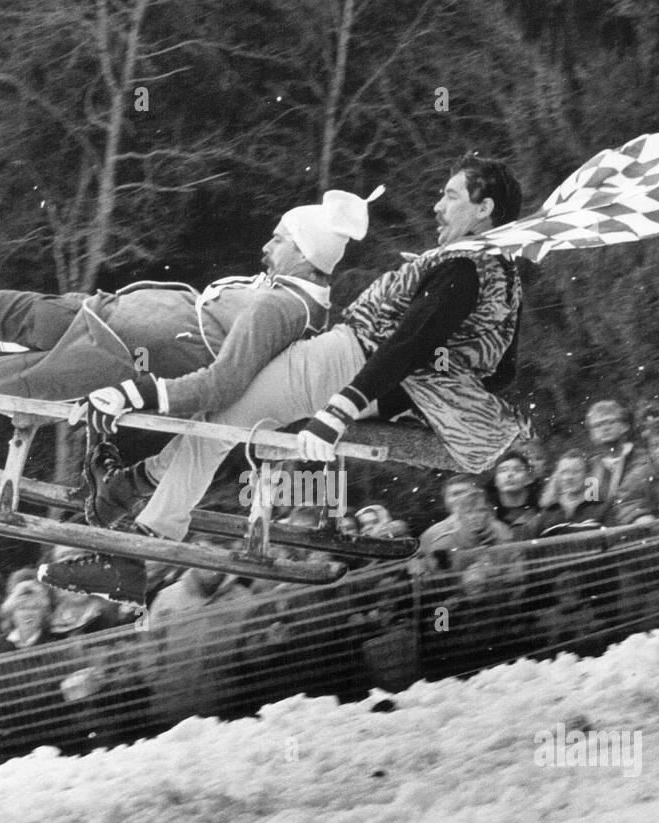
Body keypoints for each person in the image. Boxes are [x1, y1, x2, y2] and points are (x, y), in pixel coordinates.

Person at [50, 153, 529, 602]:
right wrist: (409, 395)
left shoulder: (463, 267)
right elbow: (499, 371)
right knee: (222, 423)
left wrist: (340, 411)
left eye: (450, 196)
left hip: (343, 360)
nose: (437, 206)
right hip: (354, 366)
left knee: (218, 420)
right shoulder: (504, 276)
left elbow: (406, 344)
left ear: (484, 208)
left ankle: (135, 553)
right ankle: (134, 489)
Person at [0, 189, 378, 412]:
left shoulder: (281, 307)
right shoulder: (288, 297)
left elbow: (225, 381)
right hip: (109, 321)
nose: (266, 245)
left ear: (305, 251)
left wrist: (145, 393)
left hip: (119, 342)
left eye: (278, 238)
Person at [418, 474, 515, 564]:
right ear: (445, 501)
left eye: (467, 492)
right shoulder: (432, 535)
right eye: (455, 494)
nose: (462, 498)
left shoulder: (500, 530)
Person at [529, 451, 608, 538]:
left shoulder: (602, 508)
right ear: (558, 477)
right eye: (563, 472)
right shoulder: (547, 514)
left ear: (587, 475)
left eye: (575, 472)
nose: (568, 477)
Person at [0, 581, 62, 655]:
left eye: (34, 608)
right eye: (22, 608)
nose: (28, 613)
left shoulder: (55, 642)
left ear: (43, 613)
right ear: (12, 614)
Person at [490, 450, 540, 538]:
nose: (509, 474)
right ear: (495, 480)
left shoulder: (541, 509)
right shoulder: (488, 513)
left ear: (530, 478)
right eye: (503, 470)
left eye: (517, 470)